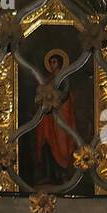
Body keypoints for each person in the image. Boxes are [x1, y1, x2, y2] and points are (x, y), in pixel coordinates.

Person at [33, 50, 76, 183]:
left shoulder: (63, 77)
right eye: (50, 62)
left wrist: (56, 102)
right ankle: (49, 175)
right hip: (47, 117)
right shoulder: (48, 79)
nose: (52, 64)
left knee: (61, 143)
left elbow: (65, 94)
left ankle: (63, 175)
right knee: (47, 142)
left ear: (60, 63)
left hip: (61, 114)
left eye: (54, 62)